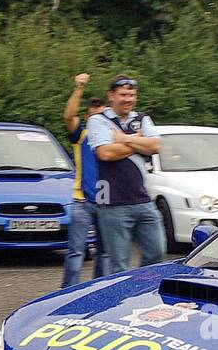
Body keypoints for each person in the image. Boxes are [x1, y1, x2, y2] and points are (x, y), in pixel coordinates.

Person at [88, 74, 164, 273]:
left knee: (156, 253)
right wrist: (138, 142)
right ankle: (120, 301)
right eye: (123, 94)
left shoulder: (142, 118)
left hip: (143, 200)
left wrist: (123, 139)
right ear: (111, 95)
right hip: (113, 203)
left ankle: (141, 289)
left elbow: (156, 146)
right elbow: (105, 153)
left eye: (131, 95)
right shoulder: (99, 120)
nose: (128, 99)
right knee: (119, 266)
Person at [62, 72, 109, 287]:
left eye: (102, 116)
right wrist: (79, 88)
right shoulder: (81, 135)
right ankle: (66, 293)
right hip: (82, 200)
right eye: (93, 117)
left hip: (108, 201)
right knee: (76, 252)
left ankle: (99, 292)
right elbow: (68, 117)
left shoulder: (112, 137)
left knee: (105, 253)